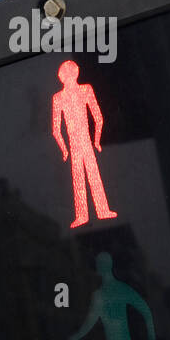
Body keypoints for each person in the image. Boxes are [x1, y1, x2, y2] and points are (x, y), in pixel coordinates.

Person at [51, 60, 116, 228]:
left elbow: (56, 131)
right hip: (83, 142)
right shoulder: (83, 90)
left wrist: (64, 150)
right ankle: (99, 211)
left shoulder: (61, 97)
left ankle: (87, 214)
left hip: (77, 143)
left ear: (61, 77)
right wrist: (96, 140)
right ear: (76, 73)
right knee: (90, 175)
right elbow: (99, 119)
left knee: (81, 176)